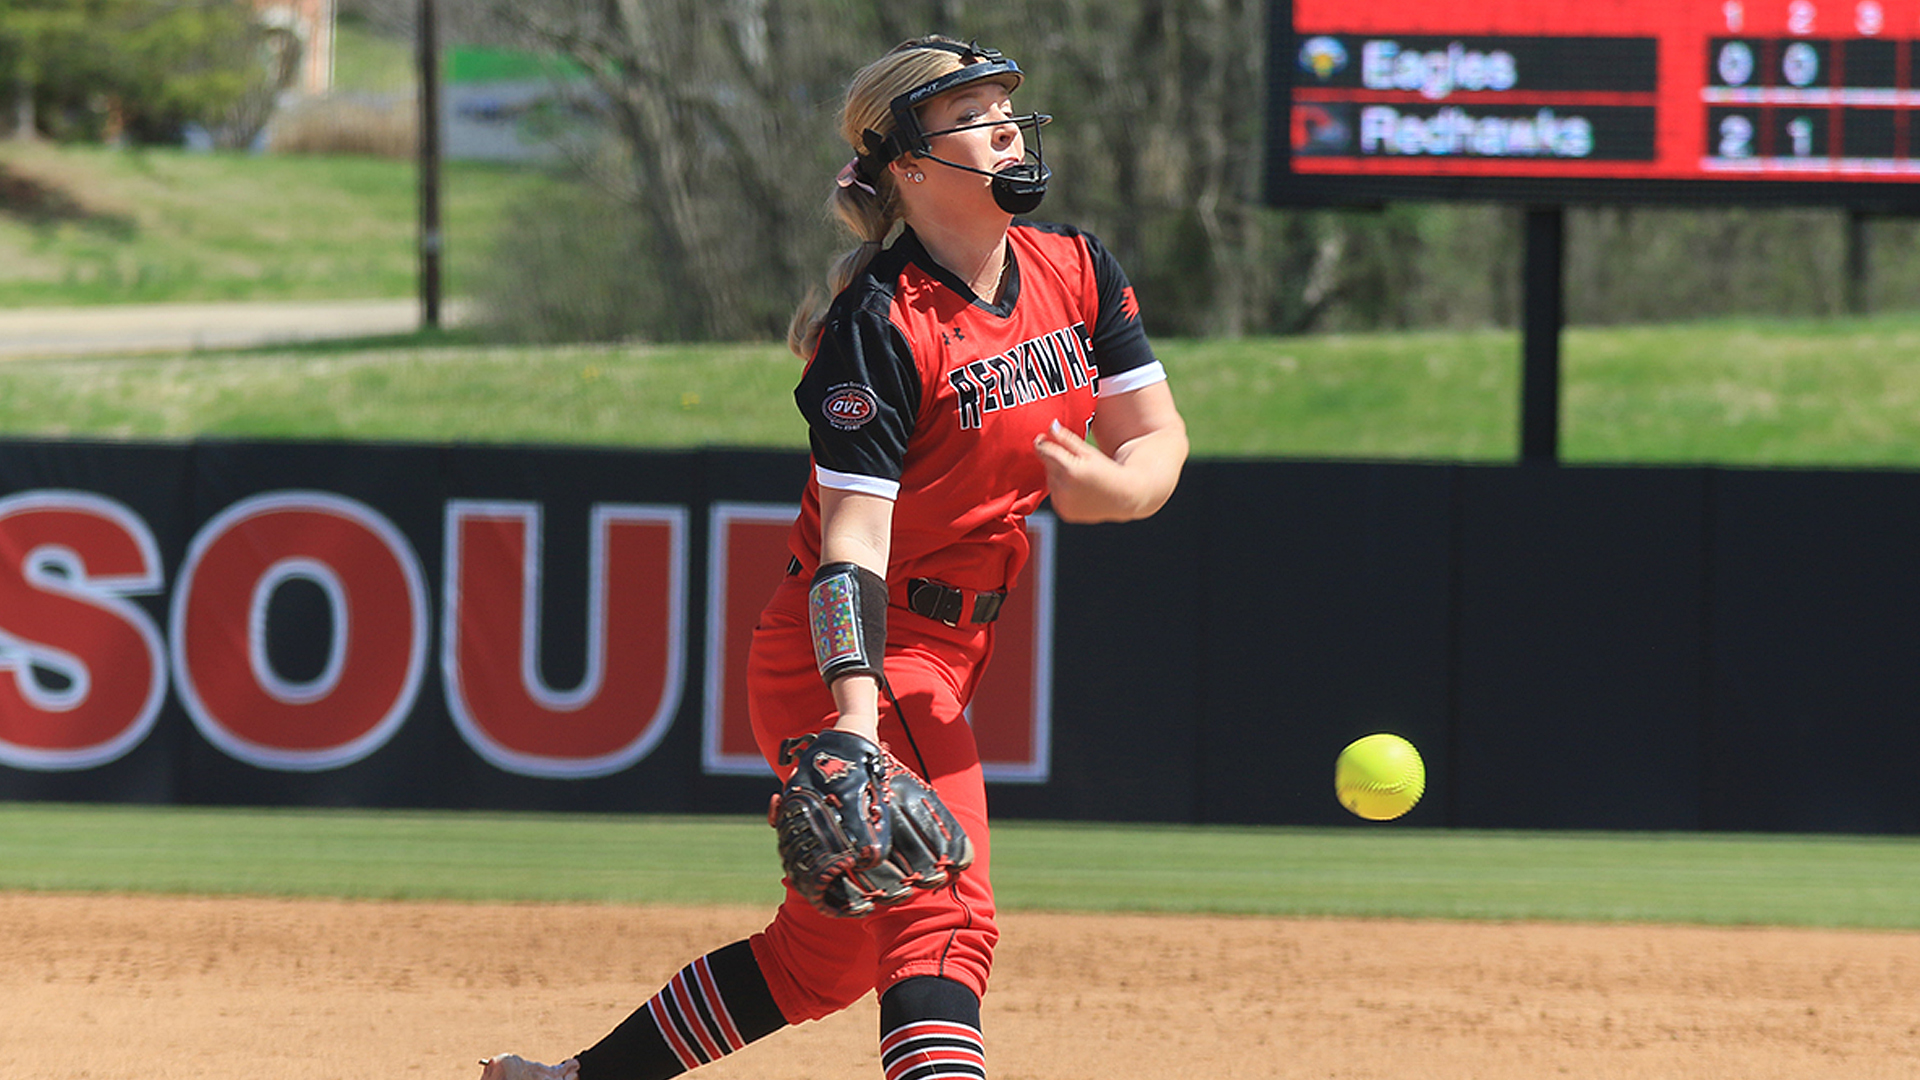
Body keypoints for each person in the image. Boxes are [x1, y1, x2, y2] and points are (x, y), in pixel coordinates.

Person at [480, 32, 1188, 1080]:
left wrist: (1117, 491)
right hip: (860, 649)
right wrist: (854, 717)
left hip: (948, 652)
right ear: (909, 162)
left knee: (821, 962)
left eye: (1007, 109)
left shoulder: (1075, 267)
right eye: (975, 115)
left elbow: (1158, 438)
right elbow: (852, 545)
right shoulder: (881, 325)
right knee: (946, 915)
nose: (1007, 127)